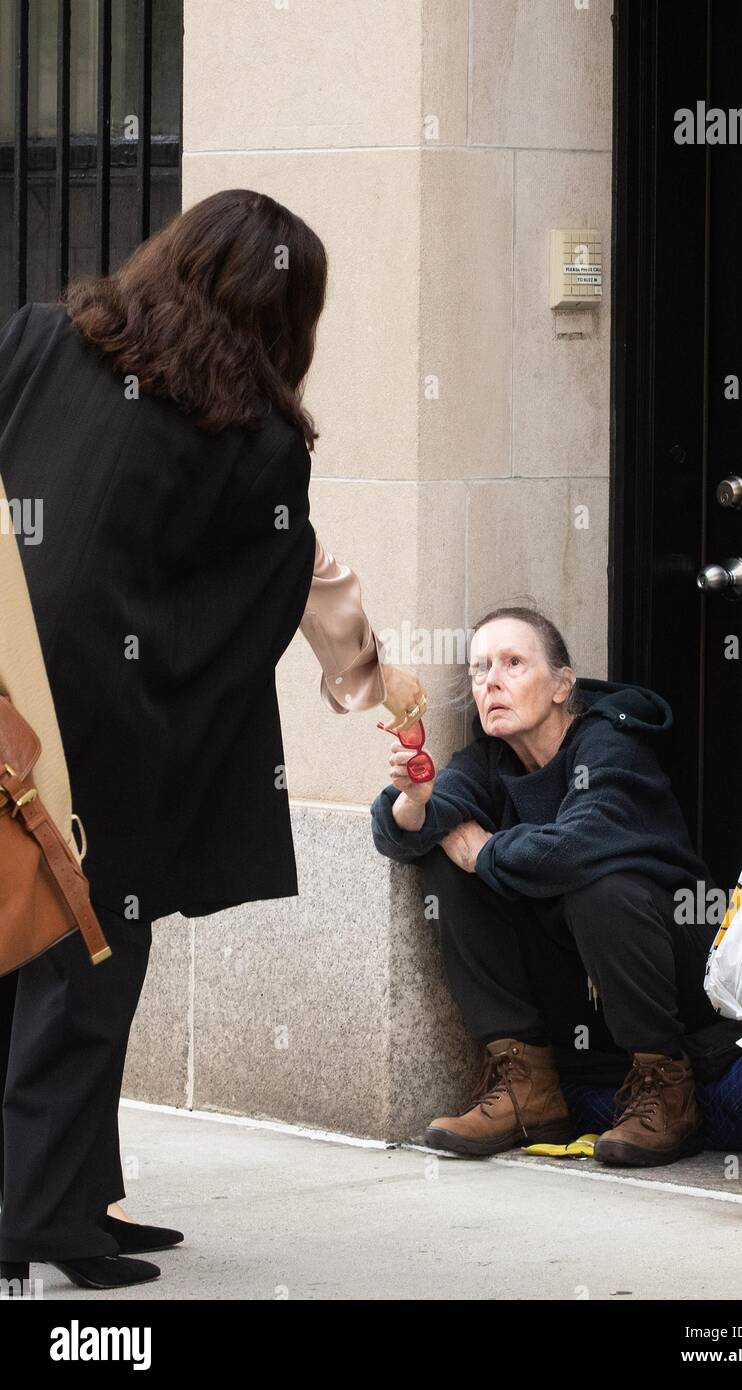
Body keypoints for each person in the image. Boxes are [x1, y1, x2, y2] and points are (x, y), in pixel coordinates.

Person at [0, 188, 424, 1294]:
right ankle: (44, 1219)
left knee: (21, 937)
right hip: (113, 730)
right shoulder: (258, 436)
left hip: (5, 693)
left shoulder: (45, 339)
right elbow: (248, 605)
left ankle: (74, 1195)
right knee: (88, 959)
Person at [370, 606, 723, 1166]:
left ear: (562, 684)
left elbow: (577, 847)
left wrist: (485, 848)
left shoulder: (610, 744)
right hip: (576, 991)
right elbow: (401, 833)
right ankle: (527, 1087)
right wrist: (415, 801)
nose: (492, 681)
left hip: (672, 978)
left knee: (598, 886)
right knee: (442, 865)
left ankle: (665, 1086)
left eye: (513, 663)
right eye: (480, 668)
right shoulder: (489, 761)